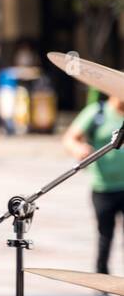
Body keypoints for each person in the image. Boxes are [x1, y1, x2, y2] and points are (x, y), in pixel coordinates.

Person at [63, 91, 124, 285]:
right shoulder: (97, 112)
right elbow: (70, 138)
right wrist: (78, 149)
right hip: (103, 187)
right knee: (105, 235)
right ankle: (102, 278)